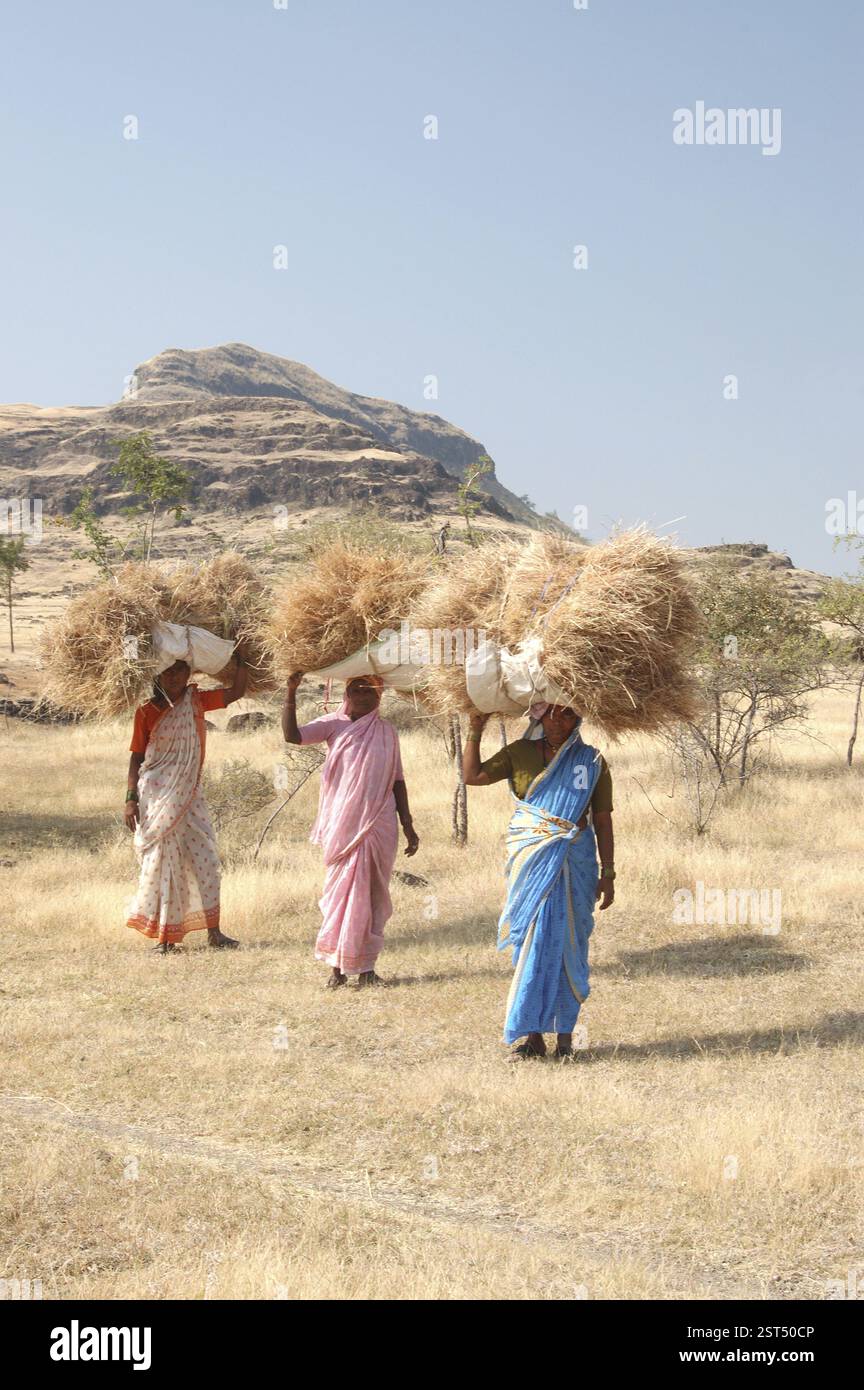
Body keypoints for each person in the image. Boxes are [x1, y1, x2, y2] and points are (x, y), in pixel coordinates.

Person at [463, 702, 615, 1059]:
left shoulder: (591, 761)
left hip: (575, 859)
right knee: (534, 940)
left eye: (566, 714)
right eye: (550, 714)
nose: (557, 720)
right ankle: (532, 1036)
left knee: (569, 944)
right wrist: (474, 728)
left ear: (577, 719)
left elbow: (603, 819)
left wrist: (608, 871)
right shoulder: (521, 753)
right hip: (532, 859)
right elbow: (473, 776)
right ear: (538, 717)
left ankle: (565, 1037)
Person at [283, 672, 419, 988]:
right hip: (344, 825)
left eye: (369, 690)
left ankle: (367, 968)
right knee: (341, 894)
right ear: (346, 692)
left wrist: (408, 824)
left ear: (380, 695)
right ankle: (337, 969)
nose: (363, 695)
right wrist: (290, 693)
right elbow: (293, 736)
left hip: (379, 823)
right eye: (356, 689)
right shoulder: (334, 723)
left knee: (372, 894)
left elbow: (397, 779)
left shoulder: (387, 732)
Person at [124, 656, 248, 953]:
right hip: (156, 793)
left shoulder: (197, 701)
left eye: (180, 669)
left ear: (188, 672)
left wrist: (241, 660)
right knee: (164, 861)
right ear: (157, 674)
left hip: (190, 794)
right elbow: (136, 756)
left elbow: (235, 693)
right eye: (167, 670)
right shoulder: (146, 710)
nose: (174, 676)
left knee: (205, 857)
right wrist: (130, 798)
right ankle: (165, 937)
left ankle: (214, 932)